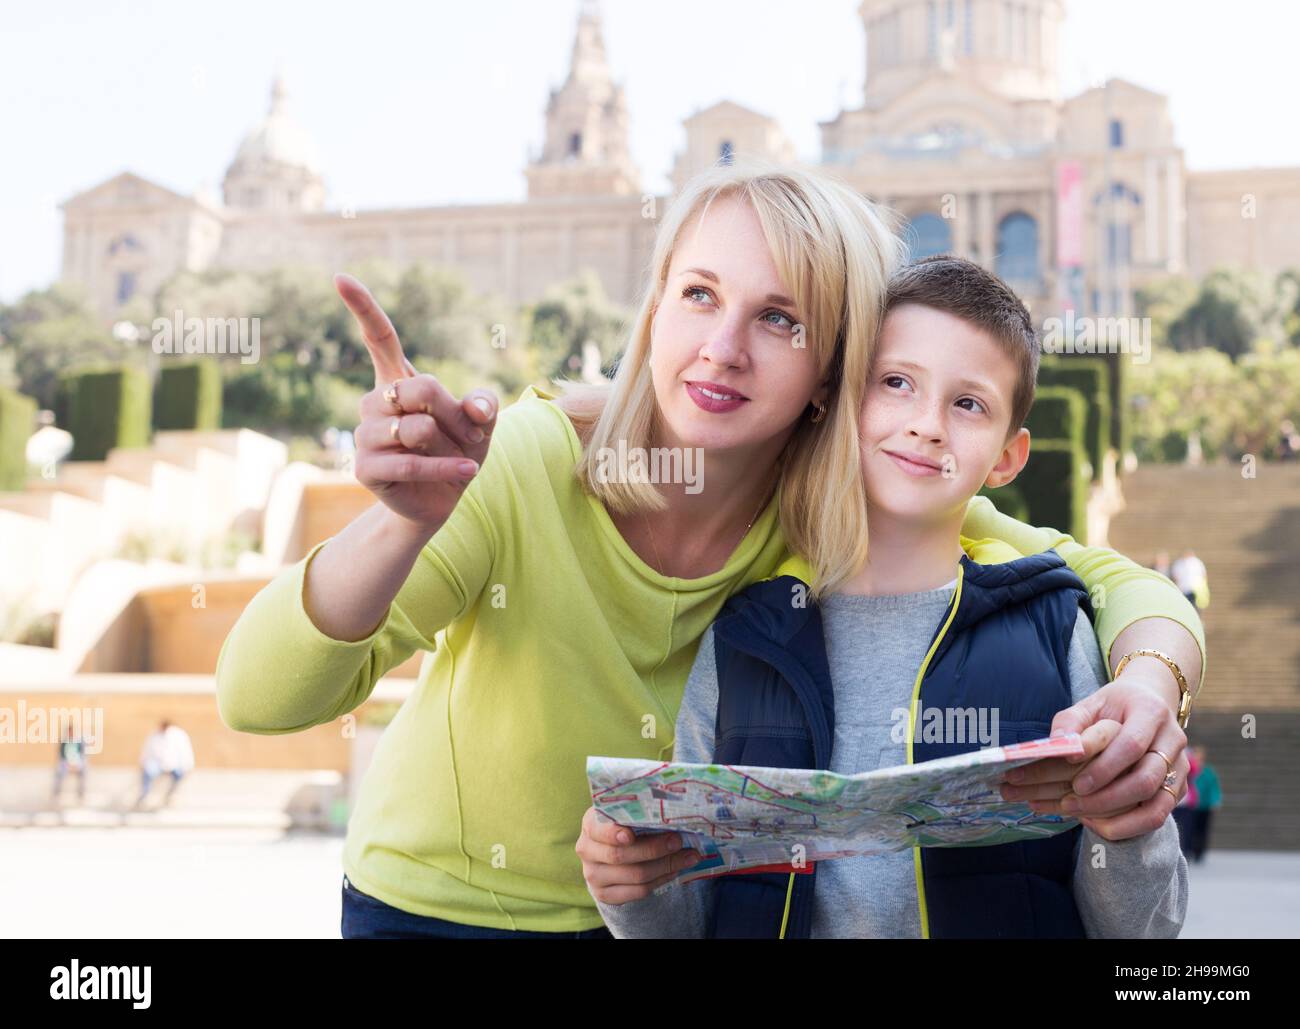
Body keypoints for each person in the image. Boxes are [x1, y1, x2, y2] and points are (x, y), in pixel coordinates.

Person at [215, 160, 1205, 940]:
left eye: (779, 318)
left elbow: (1109, 582)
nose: (721, 348)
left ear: (835, 373)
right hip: (442, 916)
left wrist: (1151, 683)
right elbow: (260, 700)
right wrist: (405, 517)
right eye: (697, 295)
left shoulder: (842, 502)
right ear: (651, 311)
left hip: (660, 922)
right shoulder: (520, 459)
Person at [582, 256, 1188, 937]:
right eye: (897, 382)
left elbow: (1142, 932)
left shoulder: (1057, 630)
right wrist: (629, 889)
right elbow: (687, 917)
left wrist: (1127, 824)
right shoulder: (743, 641)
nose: (927, 424)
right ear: (842, 401)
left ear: (1008, 457)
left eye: (968, 403)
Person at [136, 720, 194, 807]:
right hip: (157, 764)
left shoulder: (178, 735)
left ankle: (171, 795)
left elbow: (185, 751)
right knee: (148, 772)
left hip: (174, 765)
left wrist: (188, 765)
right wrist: (143, 762)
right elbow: (147, 750)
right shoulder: (154, 735)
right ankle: (144, 795)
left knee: (179, 775)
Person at [1190, 744, 1222, 862]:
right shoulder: (1190, 769)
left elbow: (1214, 787)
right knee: (1191, 828)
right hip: (1192, 805)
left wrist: (1215, 800)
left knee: (1203, 829)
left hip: (1205, 805)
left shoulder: (1208, 771)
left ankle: (1200, 851)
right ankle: (1191, 849)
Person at [52, 726, 88, 804]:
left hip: (77, 763)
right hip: (65, 764)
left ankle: (81, 795)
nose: (70, 733)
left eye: (71, 731)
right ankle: (56, 794)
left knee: (83, 772)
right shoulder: (64, 742)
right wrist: (67, 764)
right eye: (69, 731)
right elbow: (61, 755)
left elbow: (82, 755)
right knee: (58, 773)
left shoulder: (79, 742)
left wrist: (77, 764)